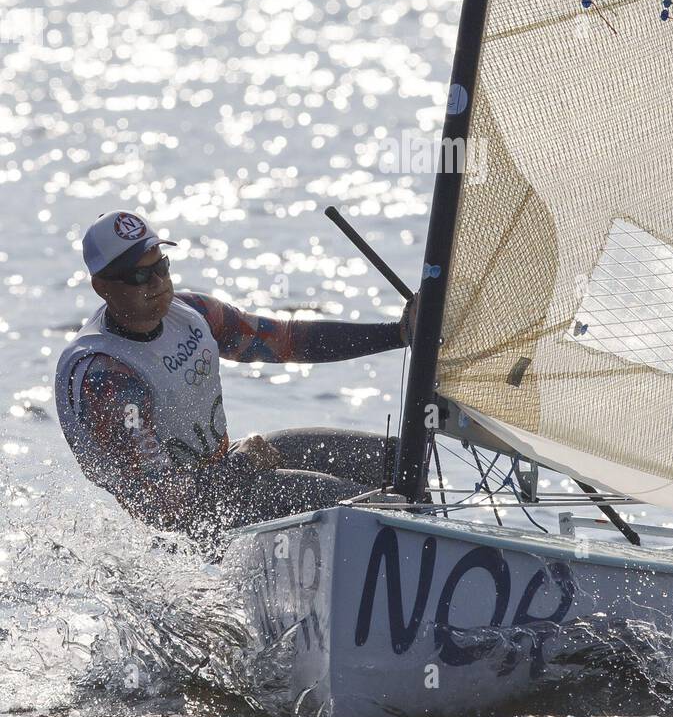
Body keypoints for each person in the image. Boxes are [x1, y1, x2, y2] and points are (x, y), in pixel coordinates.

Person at [54, 209, 417, 544]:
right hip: (194, 525)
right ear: (102, 287)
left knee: (396, 459)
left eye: (161, 267)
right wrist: (242, 464)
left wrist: (398, 333)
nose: (157, 283)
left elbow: (285, 340)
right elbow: (162, 506)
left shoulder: (194, 312)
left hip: (230, 473)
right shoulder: (108, 378)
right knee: (362, 511)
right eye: (138, 276)